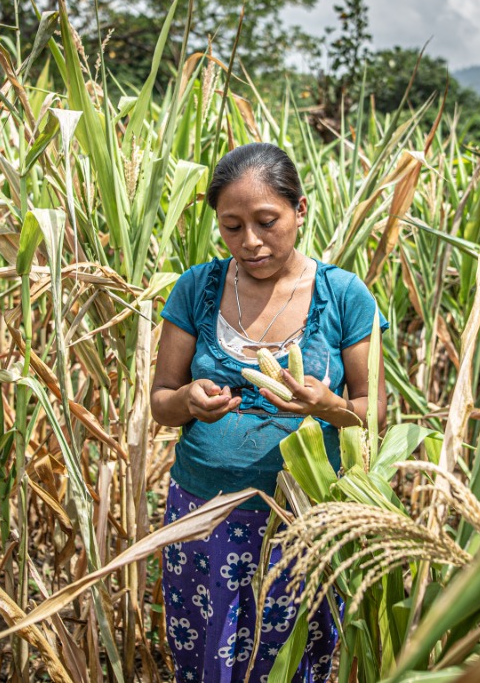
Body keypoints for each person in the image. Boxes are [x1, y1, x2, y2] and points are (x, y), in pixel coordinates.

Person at [151, 142, 388, 683]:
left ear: (299, 210)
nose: (250, 242)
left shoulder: (344, 295)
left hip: (301, 520)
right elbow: (161, 400)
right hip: (203, 515)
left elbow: (370, 412)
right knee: (210, 651)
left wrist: (326, 405)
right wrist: (188, 401)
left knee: (292, 657)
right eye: (231, 227)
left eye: (266, 221)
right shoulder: (197, 288)